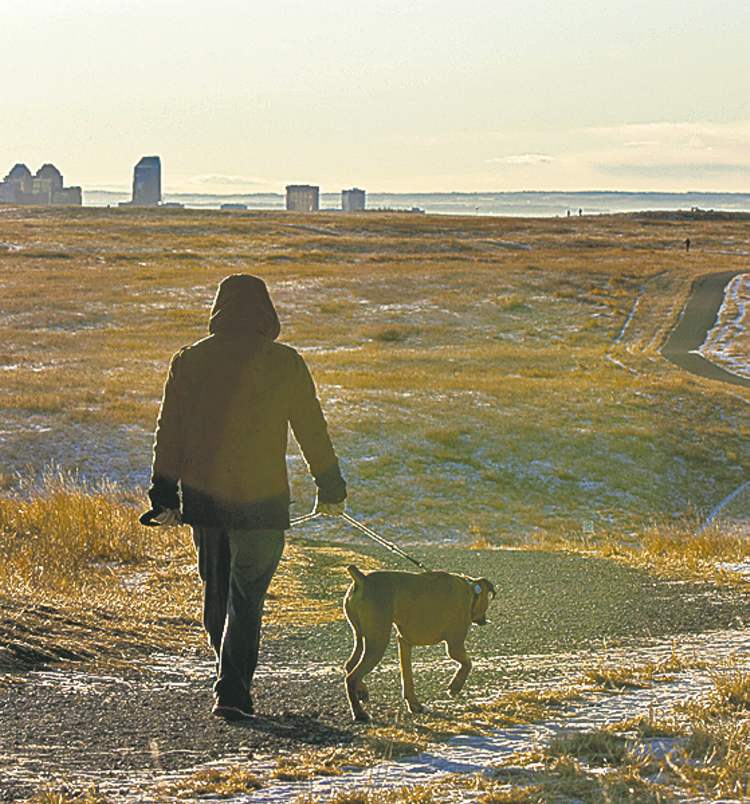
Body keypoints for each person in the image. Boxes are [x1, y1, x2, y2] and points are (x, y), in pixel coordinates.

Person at [146, 274, 347, 721]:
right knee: (246, 597)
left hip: (205, 501)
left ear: (218, 310)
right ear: (266, 312)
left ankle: (229, 683)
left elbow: (169, 431)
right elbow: (312, 429)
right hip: (263, 501)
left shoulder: (190, 360)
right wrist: (330, 486)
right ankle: (233, 690)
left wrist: (164, 493)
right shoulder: (285, 362)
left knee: (217, 595)